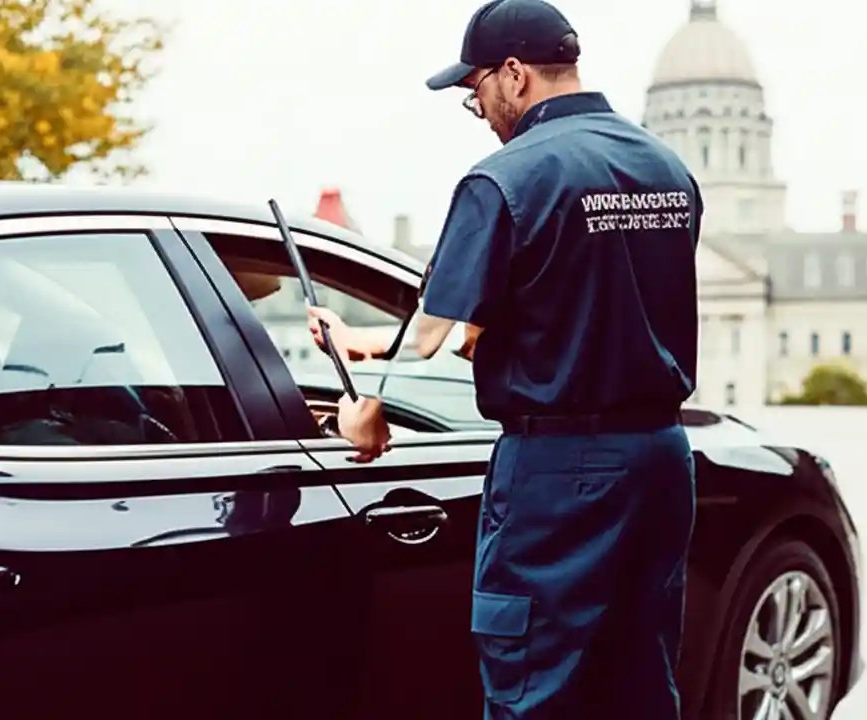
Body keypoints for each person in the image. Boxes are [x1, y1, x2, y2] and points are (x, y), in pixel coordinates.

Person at [307, 0, 703, 716]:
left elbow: (426, 343)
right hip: (661, 460)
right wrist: (357, 339)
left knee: (535, 684)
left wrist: (360, 412)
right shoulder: (666, 168)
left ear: (514, 75)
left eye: (476, 92)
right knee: (638, 677)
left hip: (560, 473)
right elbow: (591, 300)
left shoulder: (506, 177)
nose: (481, 110)